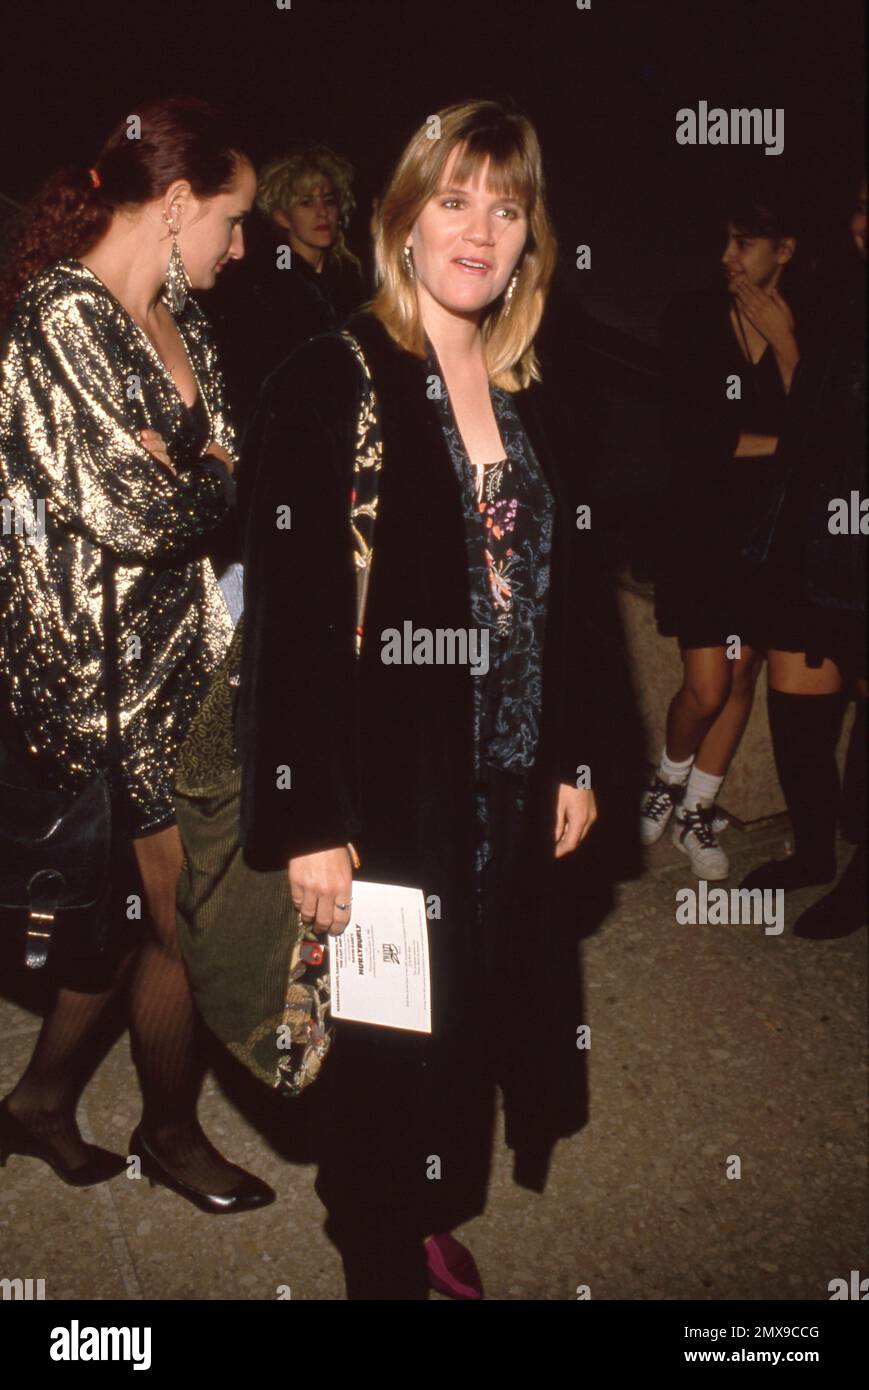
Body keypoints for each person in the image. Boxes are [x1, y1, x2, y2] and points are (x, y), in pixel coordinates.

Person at [238, 98, 602, 1297]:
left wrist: (576, 758)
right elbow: (288, 622)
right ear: (401, 221)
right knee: (388, 1054)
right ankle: (380, 1254)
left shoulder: (530, 379)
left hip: (503, 790)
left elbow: (566, 599)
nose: (479, 228)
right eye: (453, 198)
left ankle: (420, 1201)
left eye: (505, 205)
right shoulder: (332, 375)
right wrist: (305, 820)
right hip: (390, 799)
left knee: (469, 1034)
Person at [0, 97, 274, 1212]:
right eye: (234, 218)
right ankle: (169, 1134)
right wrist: (202, 473)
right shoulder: (58, 321)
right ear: (174, 206)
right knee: (187, 921)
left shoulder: (174, 307)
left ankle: (36, 1105)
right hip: (100, 684)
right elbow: (139, 507)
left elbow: (220, 465)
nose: (243, 245)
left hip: (184, 651)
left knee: (124, 933)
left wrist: (198, 466)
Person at [645, 194, 806, 879]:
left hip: (769, 532)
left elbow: (831, 423)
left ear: (784, 250)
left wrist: (789, 345)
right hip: (700, 527)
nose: (726, 258)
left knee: (745, 671)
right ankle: (664, 779)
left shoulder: (808, 327)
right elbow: (693, 440)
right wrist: (793, 446)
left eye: (743, 243)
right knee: (706, 686)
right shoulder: (692, 318)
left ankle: (696, 811)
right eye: (725, 241)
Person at [739, 174, 866, 937]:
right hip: (813, 533)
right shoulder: (842, 299)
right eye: (860, 206)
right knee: (794, 698)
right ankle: (813, 850)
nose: (863, 224)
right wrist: (790, 350)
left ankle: (859, 884)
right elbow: (813, 423)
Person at [204, 142, 365, 441]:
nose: (321, 213)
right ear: (282, 216)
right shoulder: (266, 287)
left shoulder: (350, 282)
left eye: (328, 201)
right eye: (306, 202)